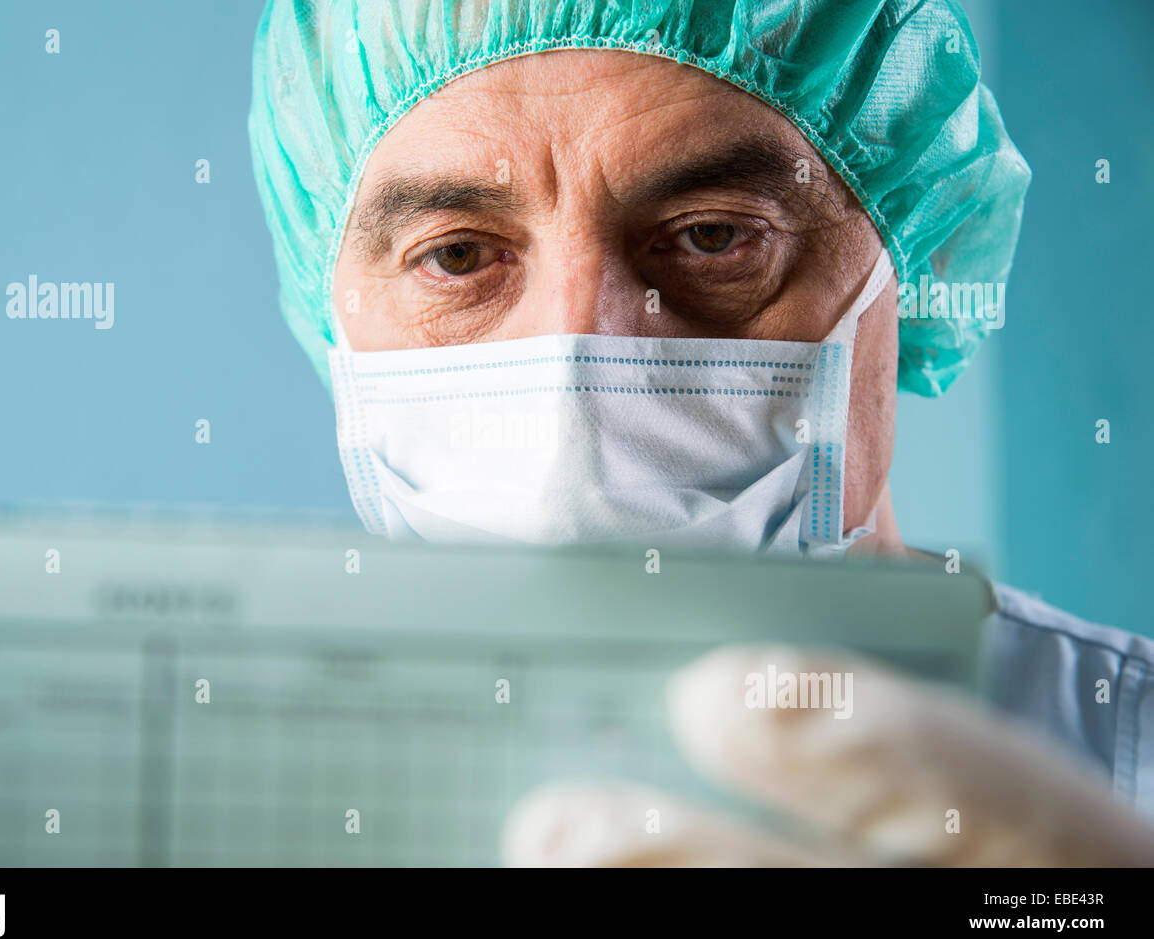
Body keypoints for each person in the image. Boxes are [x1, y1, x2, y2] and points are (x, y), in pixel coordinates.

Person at [247, 0, 1154, 864]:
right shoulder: (224, 787)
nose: (579, 370)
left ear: (912, 267)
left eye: (714, 236)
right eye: (456, 255)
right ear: (336, 315)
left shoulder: (1126, 766)